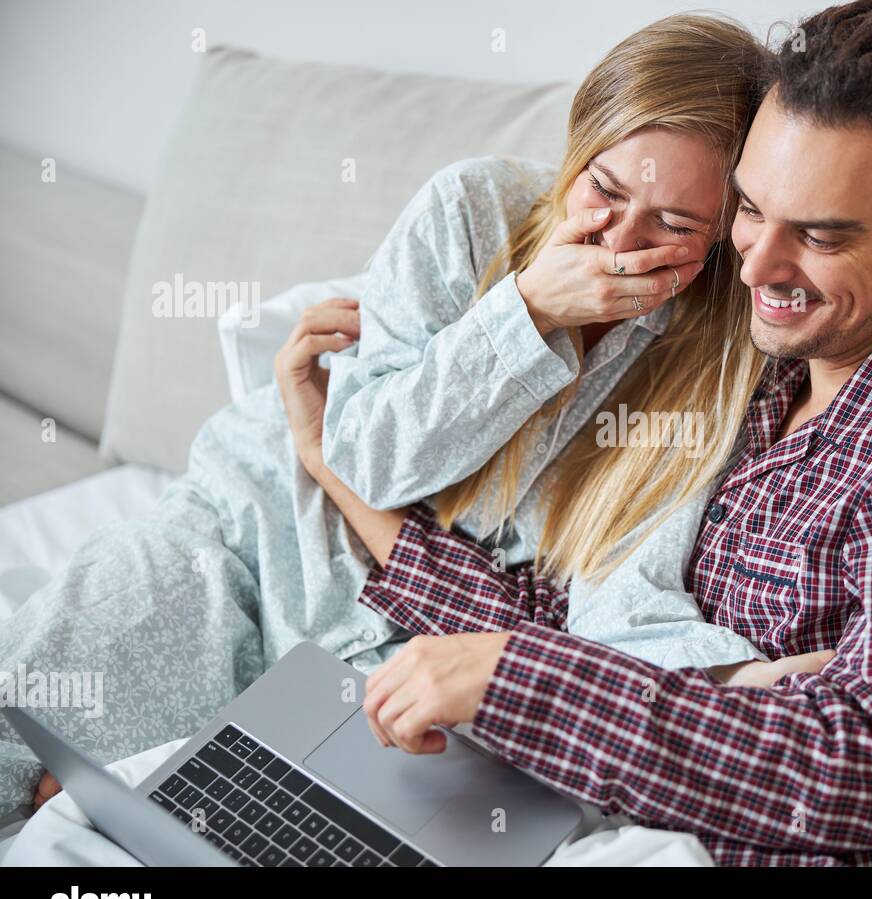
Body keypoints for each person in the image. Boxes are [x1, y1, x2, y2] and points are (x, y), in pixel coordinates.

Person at [10, 14, 830, 818]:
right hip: (255, 537)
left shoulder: (713, 369)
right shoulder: (473, 212)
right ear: (577, 150)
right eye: (604, 191)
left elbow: (617, 608)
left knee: (138, 820)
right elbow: (369, 458)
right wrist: (527, 312)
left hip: (401, 649)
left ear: (726, 233)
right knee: (32, 735)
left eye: (676, 226)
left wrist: (741, 684)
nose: (620, 241)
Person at [357, 0, 872, 867]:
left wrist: (515, 683)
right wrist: (345, 488)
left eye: (820, 235)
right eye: (749, 210)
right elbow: (593, 625)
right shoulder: (752, 389)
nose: (754, 266)